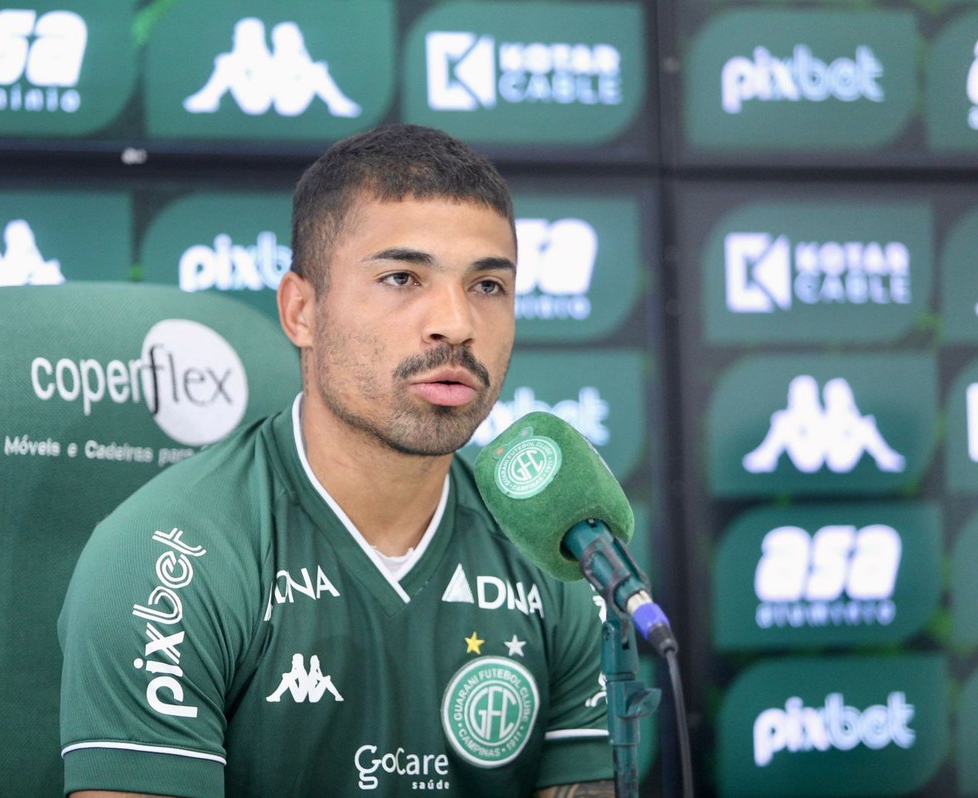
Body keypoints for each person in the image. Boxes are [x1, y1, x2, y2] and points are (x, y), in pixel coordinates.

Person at [58, 124, 614, 797]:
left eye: (488, 286)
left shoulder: (557, 549)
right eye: (402, 277)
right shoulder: (168, 556)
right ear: (301, 311)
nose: (457, 323)